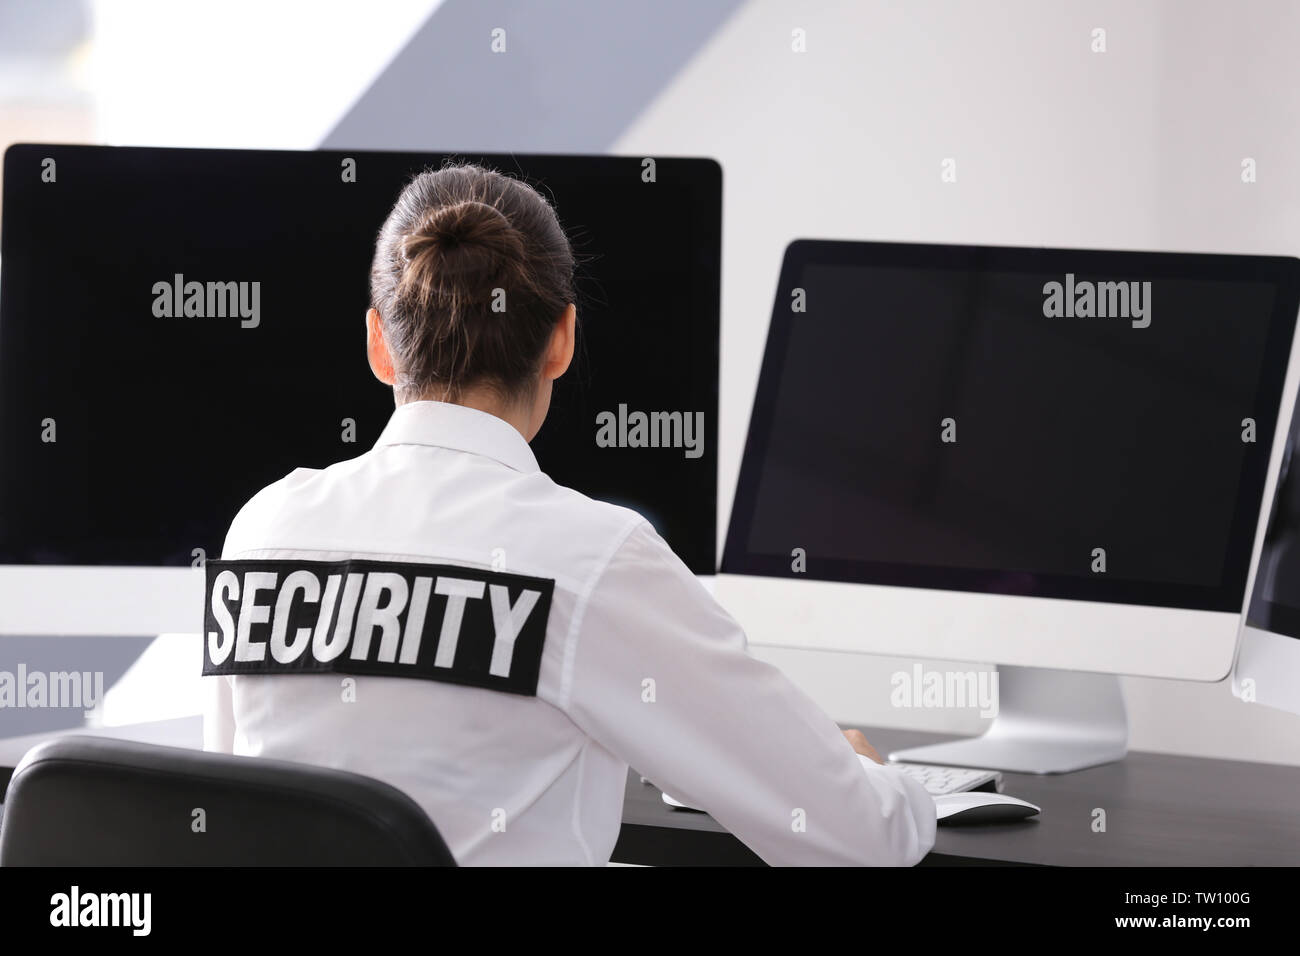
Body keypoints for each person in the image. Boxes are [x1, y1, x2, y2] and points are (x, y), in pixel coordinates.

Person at [203, 163, 936, 866]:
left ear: (379, 346)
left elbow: (232, 810)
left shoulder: (262, 531)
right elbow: (864, 840)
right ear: (562, 339)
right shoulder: (594, 559)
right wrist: (885, 783)